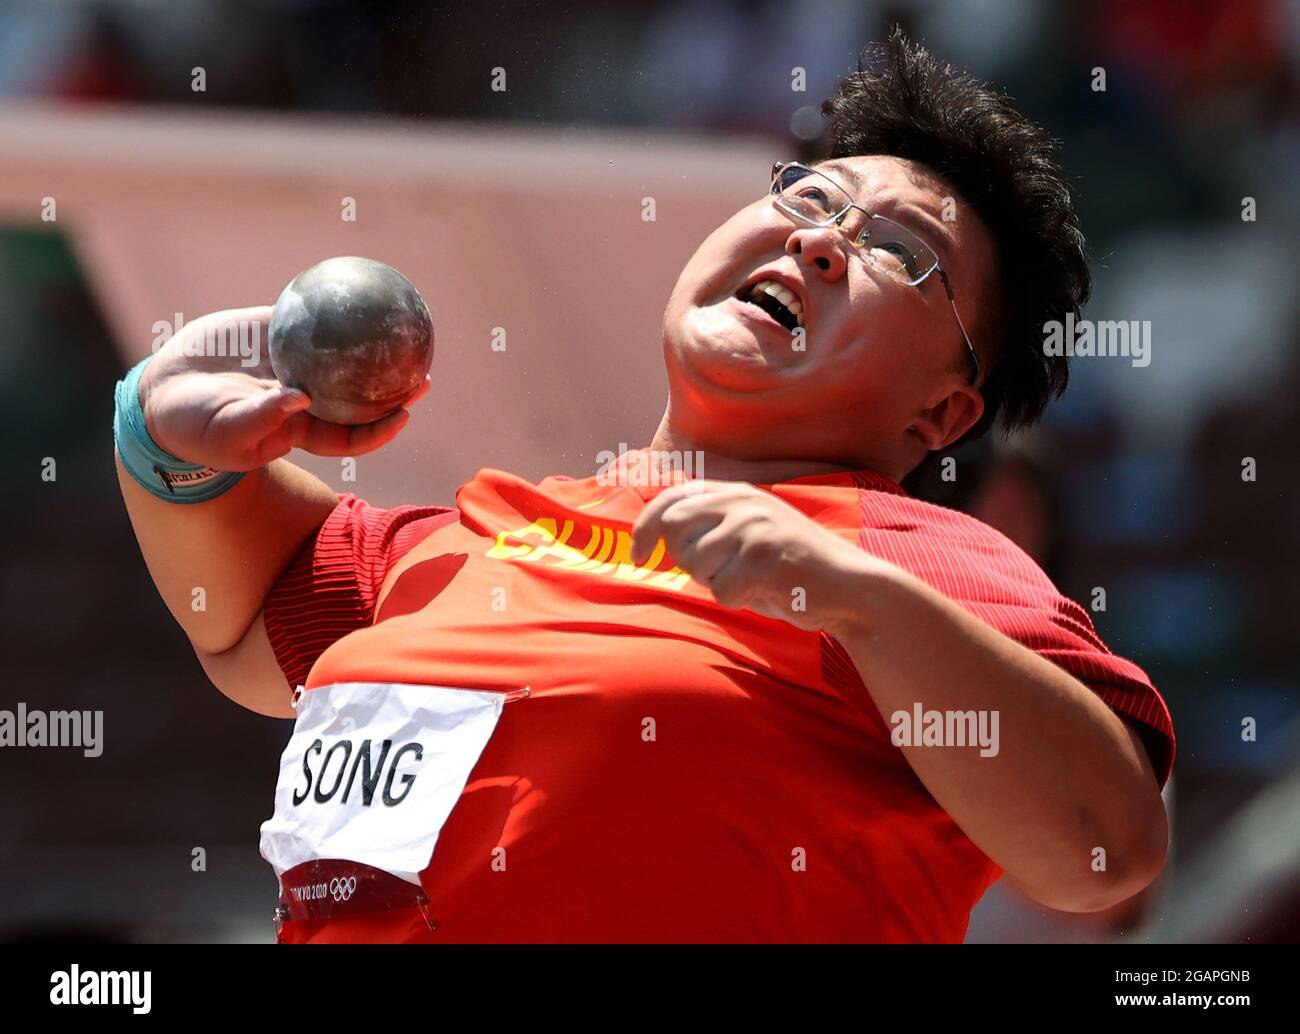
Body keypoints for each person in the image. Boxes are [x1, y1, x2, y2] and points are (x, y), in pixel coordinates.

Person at [113, 30, 1173, 943]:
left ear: (938, 416)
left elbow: (1100, 847)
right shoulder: (468, 540)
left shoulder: (910, 555)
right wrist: (166, 440)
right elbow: (243, 618)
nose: (818, 237)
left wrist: (854, 592)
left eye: (897, 251)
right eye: (809, 196)